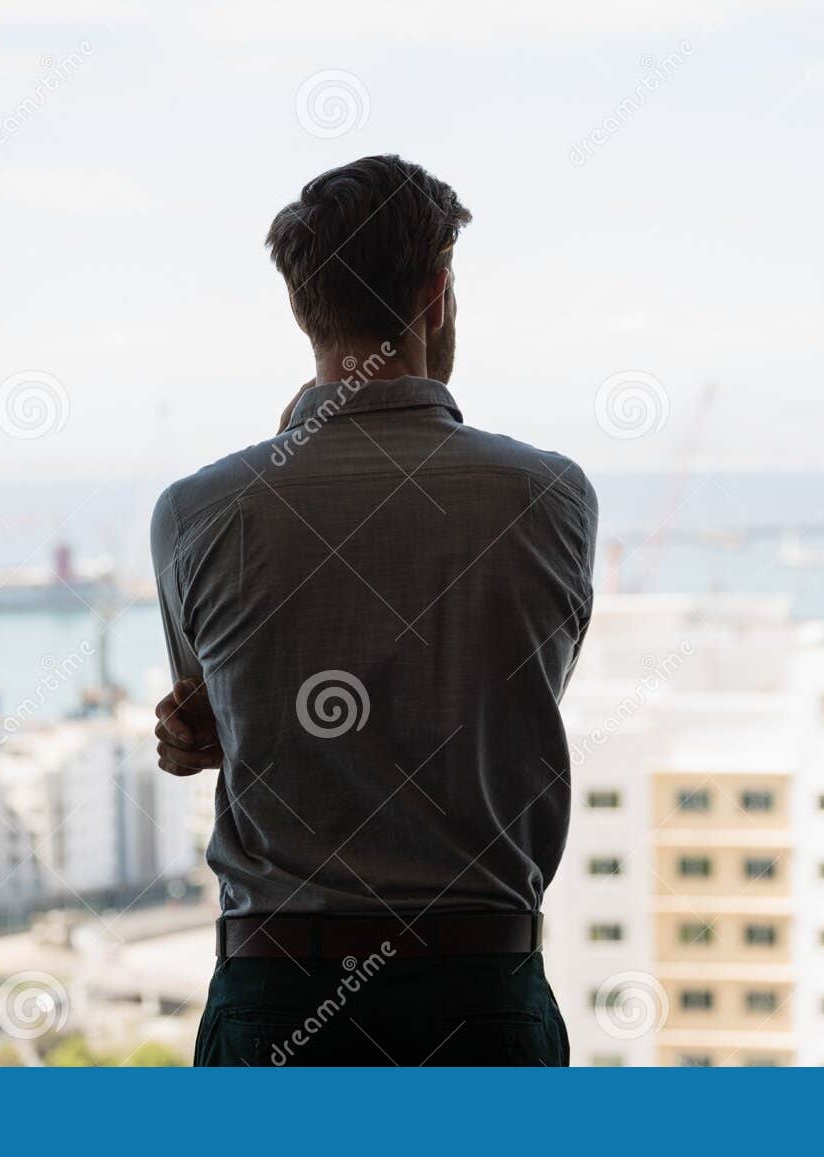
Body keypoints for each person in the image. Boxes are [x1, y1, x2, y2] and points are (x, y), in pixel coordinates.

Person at [150, 155, 597, 1066]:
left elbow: (211, 726)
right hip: (482, 999)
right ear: (435, 296)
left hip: (277, 997)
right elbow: (498, 697)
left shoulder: (198, 512)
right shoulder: (550, 495)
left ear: (301, 307)